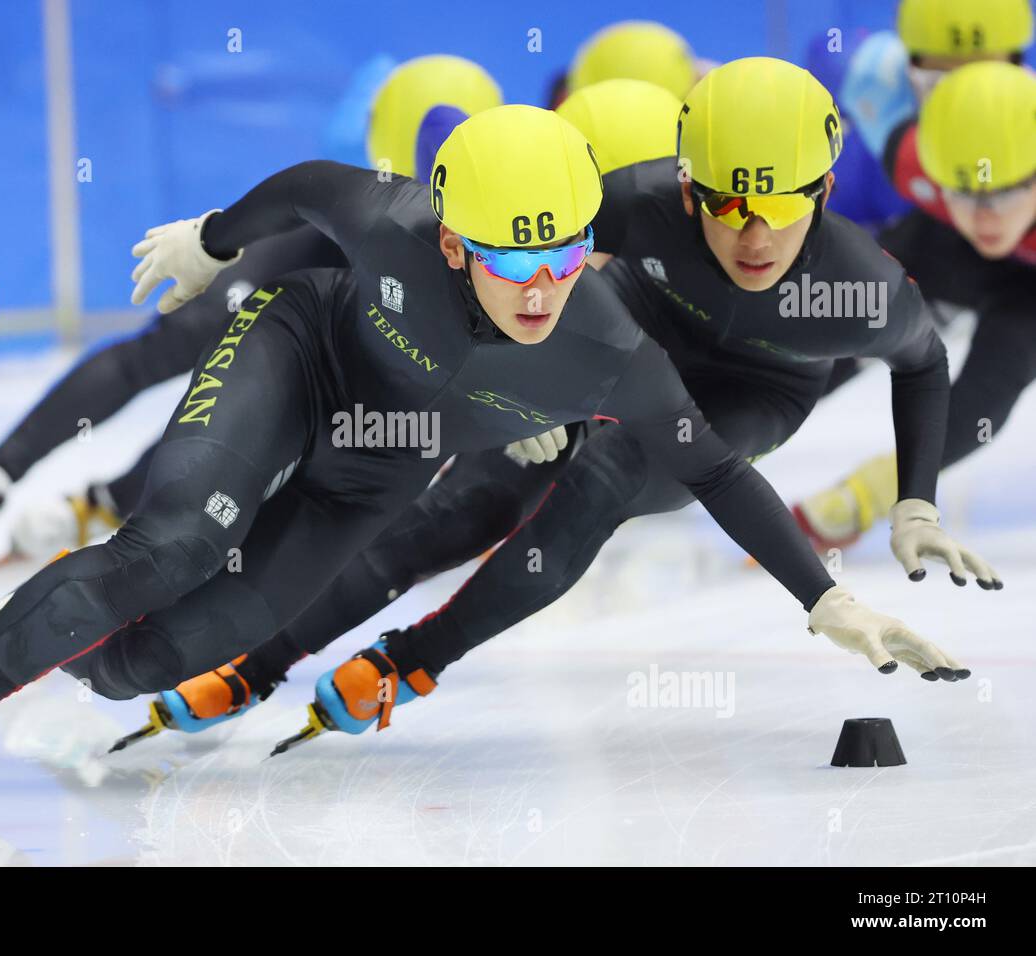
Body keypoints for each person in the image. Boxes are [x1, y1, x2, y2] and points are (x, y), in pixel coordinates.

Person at [0, 92, 960, 797]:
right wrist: (211, 241)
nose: (542, 288)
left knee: (149, 659)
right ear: (454, 240)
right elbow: (314, 192)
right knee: (165, 549)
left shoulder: (613, 353)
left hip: (381, 467)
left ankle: (40, 630)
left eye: (565, 256)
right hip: (300, 359)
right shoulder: (396, 224)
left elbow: (713, 466)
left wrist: (821, 598)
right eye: (512, 260)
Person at [115, 60, 996, 753]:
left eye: (777, 205)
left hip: (753, 392)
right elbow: (478, 238)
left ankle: (415, 661)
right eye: (723, 202)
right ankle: (258, 661)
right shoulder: (640, 203)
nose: (750, 234)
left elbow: (921, 368)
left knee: (607, 473)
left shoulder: (864, 290)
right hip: (630, 349)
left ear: (827, 193)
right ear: (686, 187)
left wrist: (913, 496)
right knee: (465, 499)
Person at [0, 55, 501, 559]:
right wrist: (214, 242)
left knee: (259, 401)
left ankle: (107, 500)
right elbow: (305, 189)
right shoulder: (386, 111)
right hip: (319, 241)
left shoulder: (479, 190)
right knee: (182, 341)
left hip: (368, 268)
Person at [795, 60, 1036, 547]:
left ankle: (863, 496)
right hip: (946, 243)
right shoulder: (911, 162)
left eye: (1007, 191)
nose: (985, 214)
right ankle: (695, 426)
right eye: (963, 192)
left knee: (986, 396)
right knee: (839, 327)